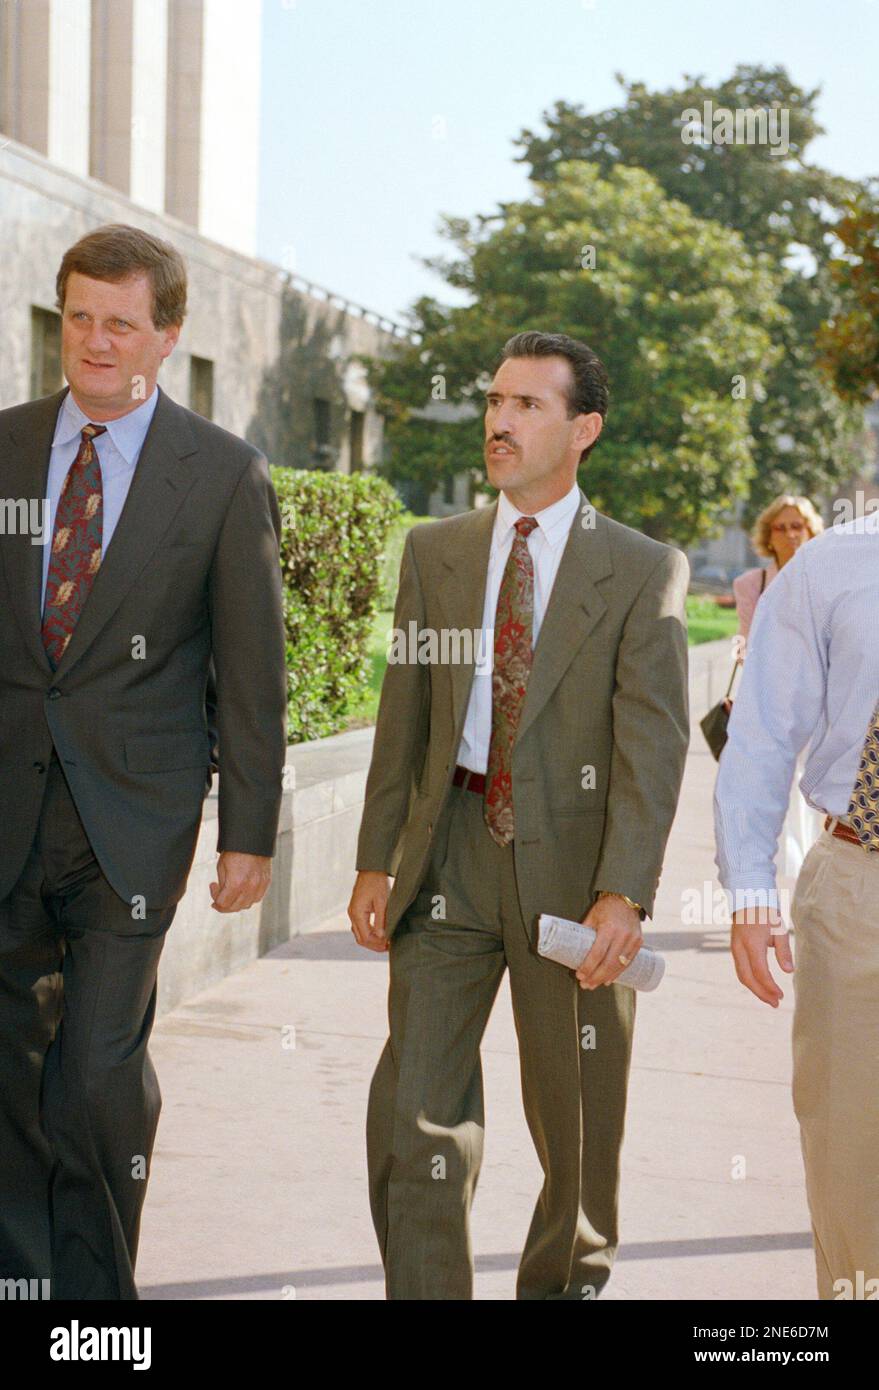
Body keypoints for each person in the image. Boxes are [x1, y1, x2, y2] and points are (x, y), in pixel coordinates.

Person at [348, 330, 690, 1300]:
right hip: (448, 854)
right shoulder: (437, 552)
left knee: (576, 1137)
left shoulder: (640, 569)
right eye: (497, 401)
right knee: (414, 1112)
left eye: (528, 405)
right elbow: (402, 719)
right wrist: (377, 857)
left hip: (577, 876)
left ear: (584, 428)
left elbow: (651, 751)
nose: (501, 421)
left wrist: (624, 891)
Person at [0, 223, 288, 1299]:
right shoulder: (7, 445)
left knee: (98, 1074)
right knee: (13, 1069)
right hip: (9, 803)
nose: (96, 342)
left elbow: (252, 670)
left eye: (122, 323)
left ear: (167, 336)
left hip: (133, 822)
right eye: (79, 317)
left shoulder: (218, 475)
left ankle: (98, 1305)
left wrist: (250, 832)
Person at [714, 507, 879, 1300]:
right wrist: (751, 890)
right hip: (858, 889)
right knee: (852, 1159)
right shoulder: (830, 567)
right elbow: (762, 734)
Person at [732, 495, 824, 878]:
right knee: (781, 793)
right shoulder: (751, 584)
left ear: (810, 530)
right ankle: (787, 879)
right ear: (768, 535)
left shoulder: (826, 578)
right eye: (780, 527)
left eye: (796, 526)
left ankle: (810, 873)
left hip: (821, 703)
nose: (789, 534)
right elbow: (751, 645)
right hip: (772, 705)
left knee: (815, 794)